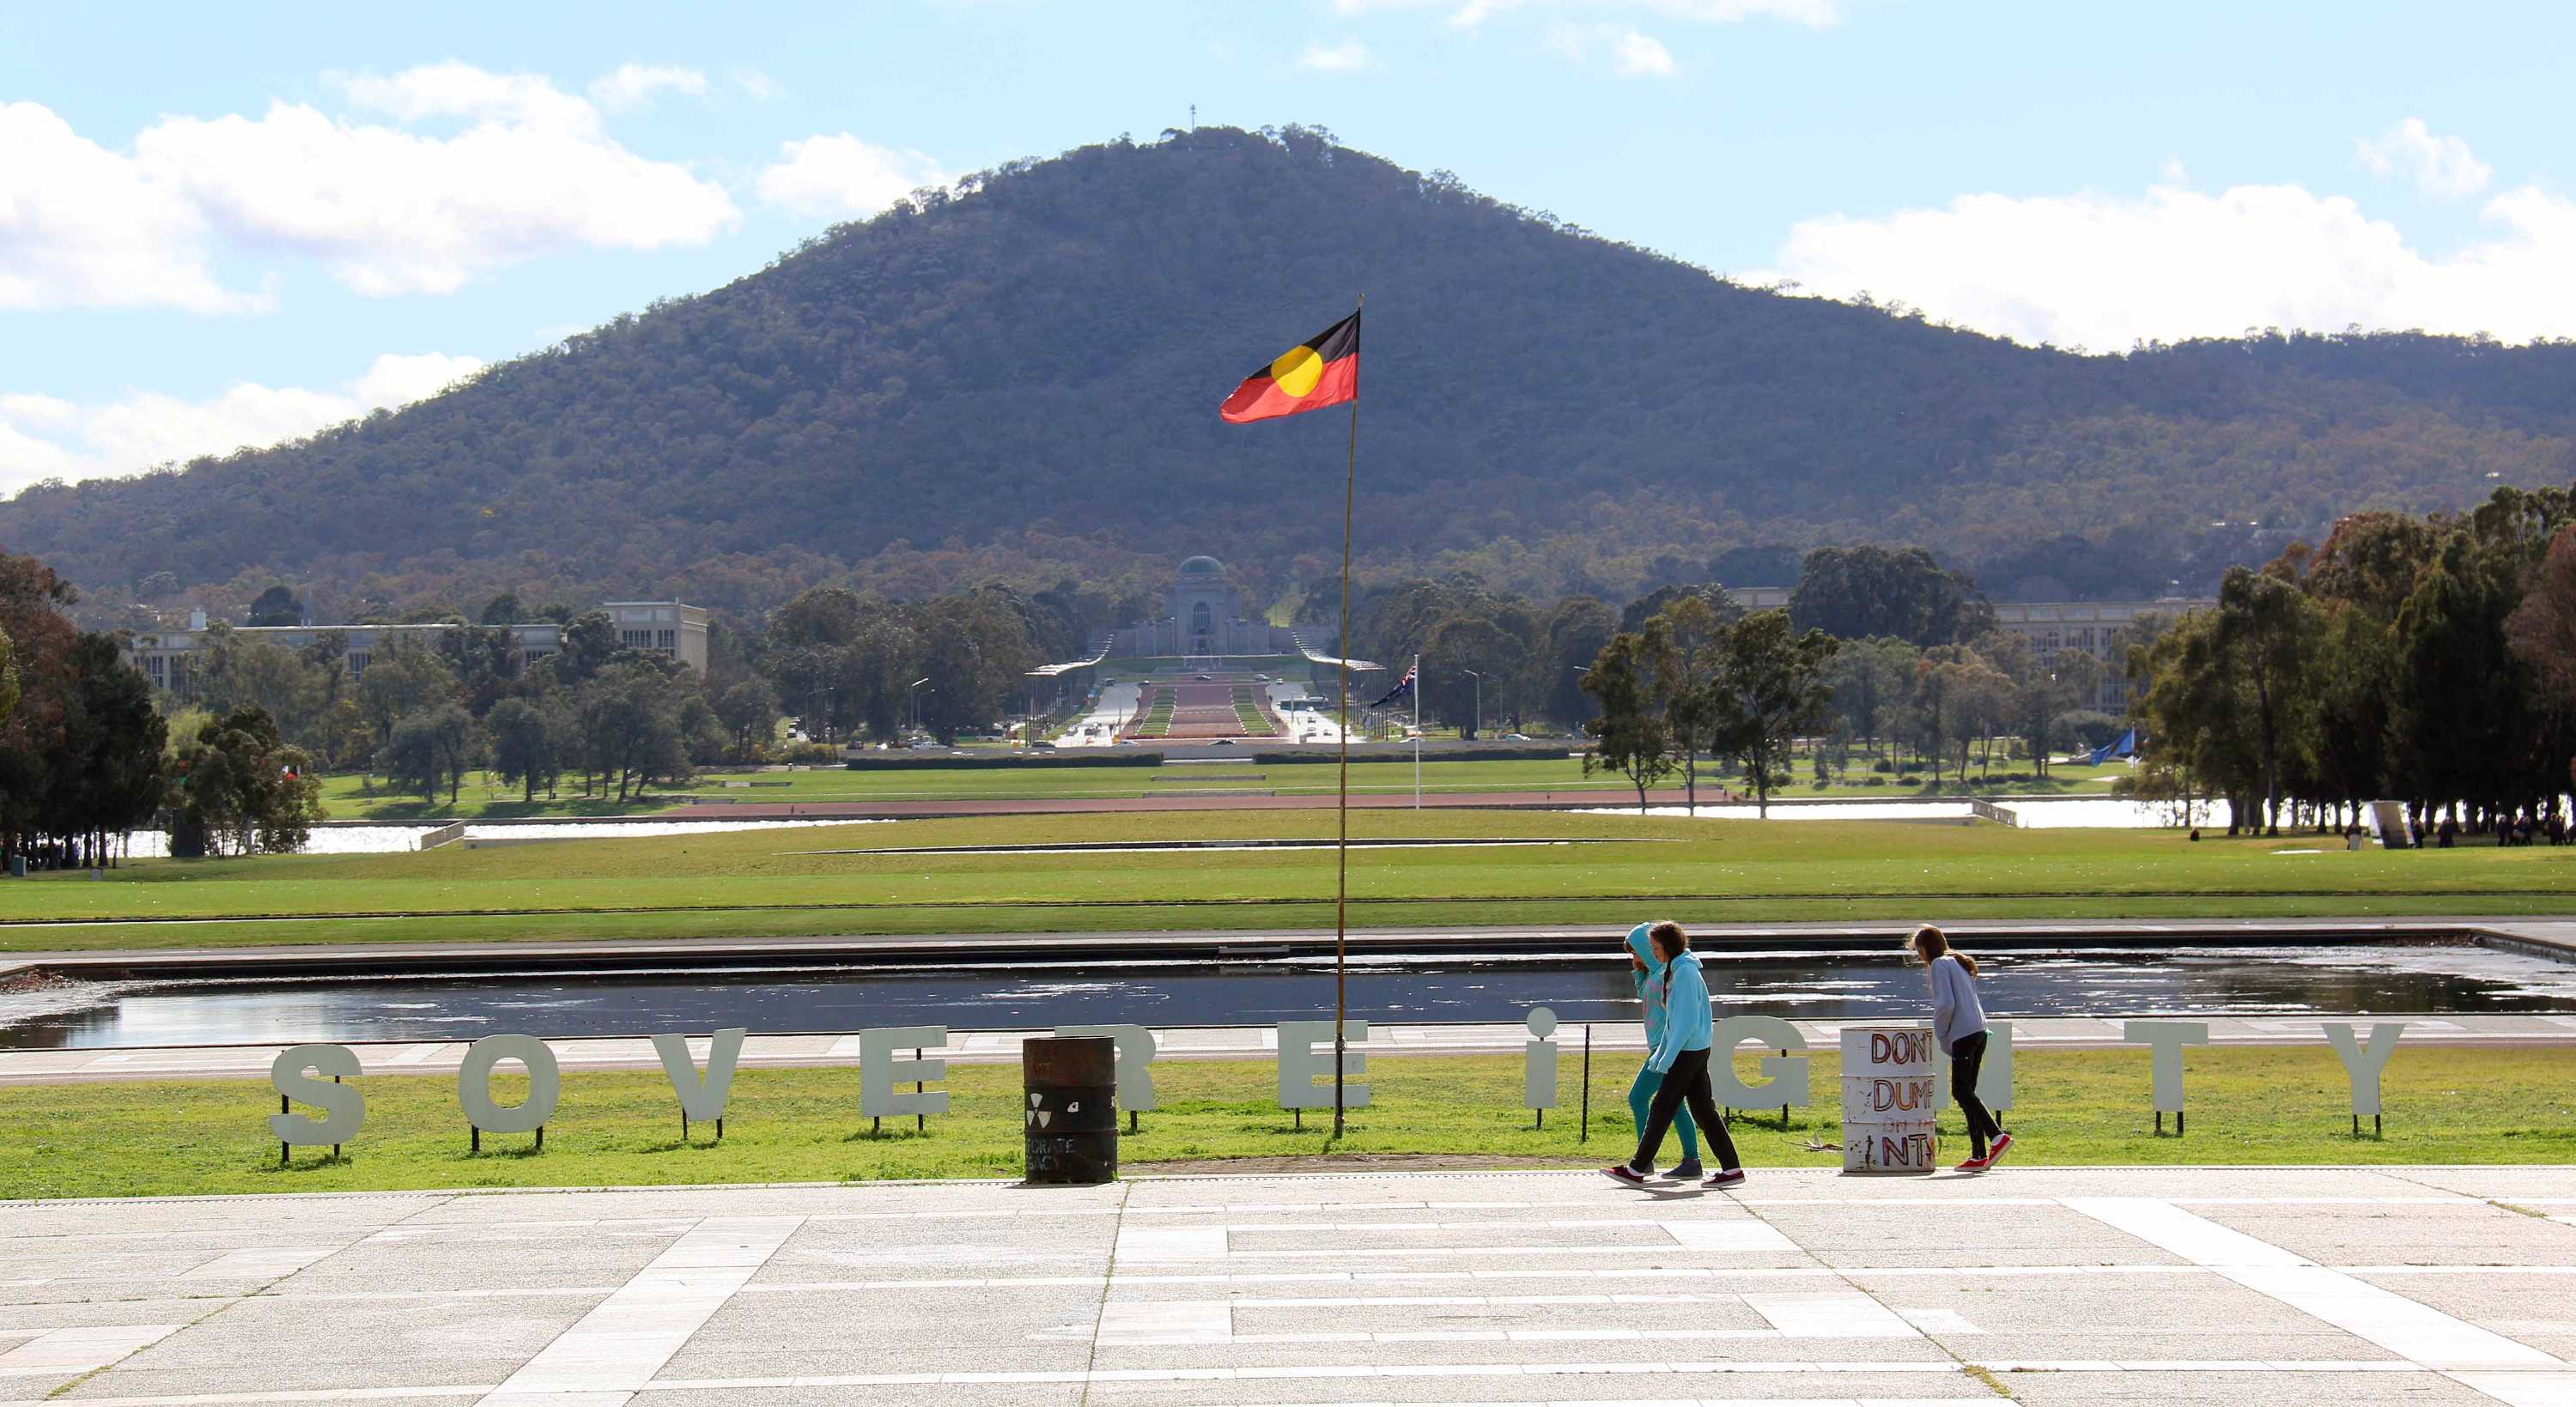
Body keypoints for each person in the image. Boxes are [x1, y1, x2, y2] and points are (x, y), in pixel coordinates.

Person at [1604, 921, 1744, 1190]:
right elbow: (1672, 1021)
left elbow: (1685, 1021)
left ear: (1668, 947)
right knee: (1703, 1110)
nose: (1652, 953)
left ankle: (1636, 1168)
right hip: (1690, 1049)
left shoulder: (1685, 974)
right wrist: (1661, 1055)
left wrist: (1666, 1057)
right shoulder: (1675, 970)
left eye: (1655, 948)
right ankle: (1732, 1168)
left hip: (1688, 1051)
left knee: (1661, 1107)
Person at [1911, 925, 2008, 1173]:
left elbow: (1945, 1005)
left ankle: (1997, 1136)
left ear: (1924, 949)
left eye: (1917, 951)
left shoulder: (1940, 965)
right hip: (1979, 1030)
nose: (1918, 956)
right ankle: (1978, 1154)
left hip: (1963, 1033)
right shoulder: (1957, 962)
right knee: (1969, 1093)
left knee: (1961, 1092)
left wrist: (1942, 1035)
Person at [1620, 921, 1703, 1180]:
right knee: (1675, 1105)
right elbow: (1646, 997)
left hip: (1664, 1048)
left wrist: (1665, 1050)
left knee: (1638, 1098)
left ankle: (1645, 1161)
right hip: (1661, 1047)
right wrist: (1638, 971)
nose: (1634, 957)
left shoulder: (1665, 974)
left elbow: (1666, 1006)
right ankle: (1691, 1160)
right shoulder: (1657, 973)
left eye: (1636, 951)